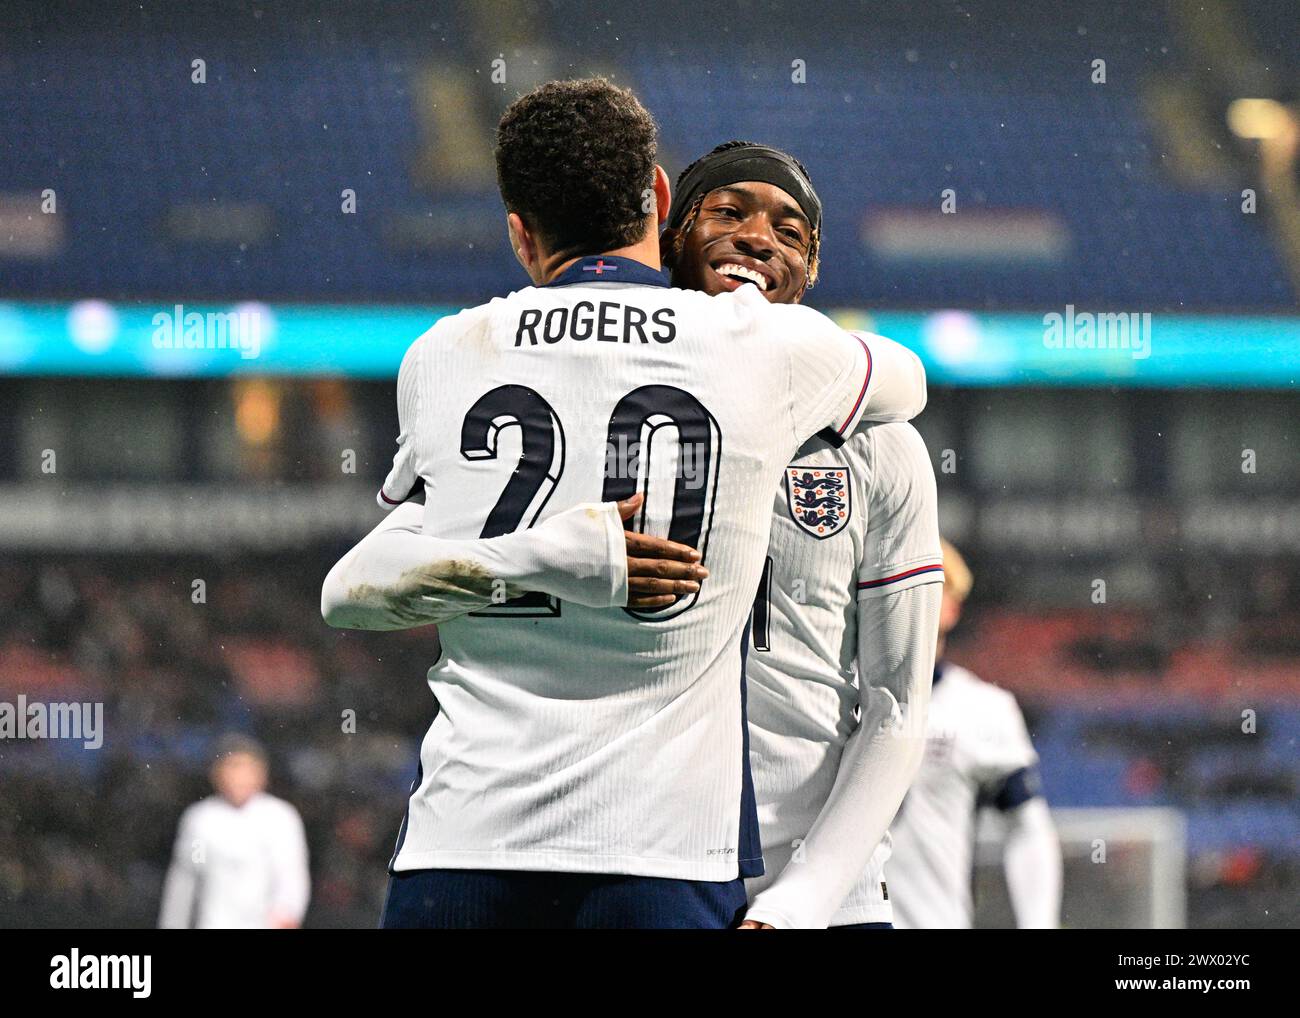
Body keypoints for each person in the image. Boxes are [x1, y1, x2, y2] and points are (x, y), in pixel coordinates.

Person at [321, 80, 927, 929]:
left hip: (480, 838)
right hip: (666, 850)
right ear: (667, 210)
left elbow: (352, 587)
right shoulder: (766, 352)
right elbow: (906, 374)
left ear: (519, 233)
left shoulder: (447, 353)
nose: (756, 242)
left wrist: (529, 560)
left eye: (788, 230)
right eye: (731, 215)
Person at [887, 540, 1063, 929]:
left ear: (953, 605)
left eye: (928, 586)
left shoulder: (983, 709)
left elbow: (1028, 829)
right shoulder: (831, 695)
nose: (910, 600)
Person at [158, 735, 310, 929]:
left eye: (247, 767)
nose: (240, 776)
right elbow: (186, 880)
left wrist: (286, 915)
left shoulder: (280, 818)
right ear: (216, 773)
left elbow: (291, 877)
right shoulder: (201, 820)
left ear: (262, 773)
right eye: (233, 767)